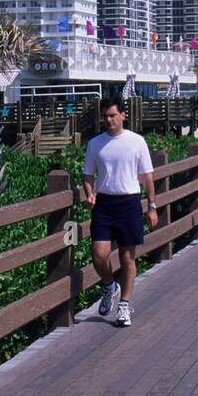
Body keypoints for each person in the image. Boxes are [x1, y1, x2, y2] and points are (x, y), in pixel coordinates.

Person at [82, 96, 158, 327]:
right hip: (104, 203)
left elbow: (147, 176)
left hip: (129, 202)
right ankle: (109, 286)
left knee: (127, 257)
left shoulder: (137, 142)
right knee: (99, 254)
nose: (109, 120)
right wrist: (89, 192)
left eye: (113, 115)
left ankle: (124, 305)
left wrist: (152, 206)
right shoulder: (95, 143)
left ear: (123, 115)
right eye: (105, 116)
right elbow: (88, 175)